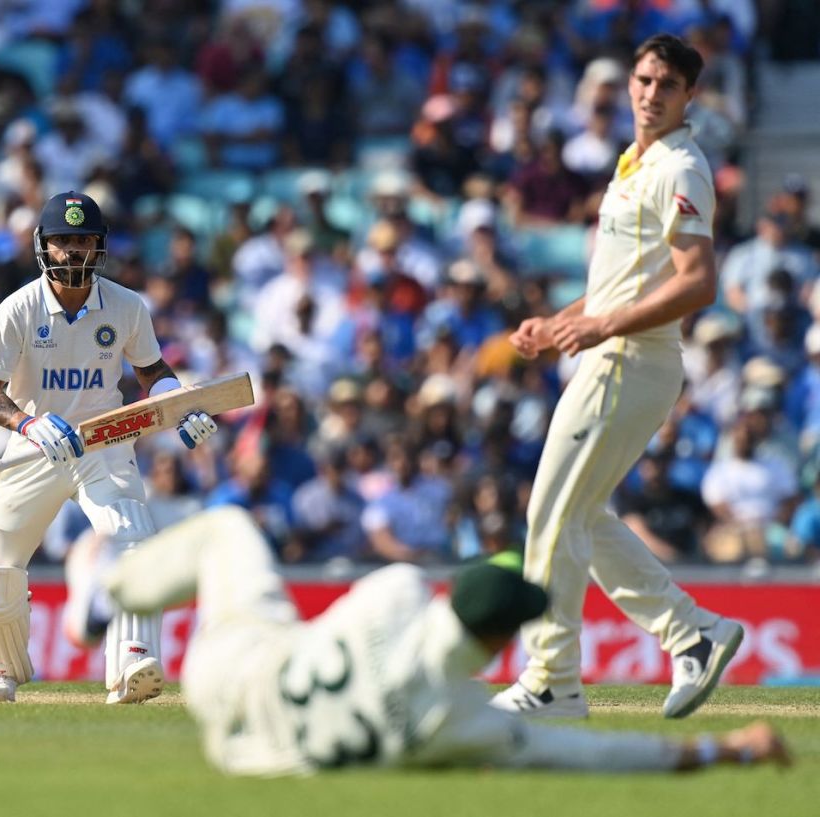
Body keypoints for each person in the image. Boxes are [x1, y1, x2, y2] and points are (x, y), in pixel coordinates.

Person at [96, 506, 790, 776]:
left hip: (230, 670)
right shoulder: (463, 722)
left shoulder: (397, 589)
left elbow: (327, 631)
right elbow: (592, 751)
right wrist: (721, 748)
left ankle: (109, 592)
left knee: (227, 531)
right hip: (246, 754)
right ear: (496, 642)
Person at [495, 35, 743, 719]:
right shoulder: (634, 161)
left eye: (667, 84)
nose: (651, 93)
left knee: (551, 513)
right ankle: (692, 632)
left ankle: (553, 681)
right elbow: (617, 287)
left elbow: (698, 283)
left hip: (631, 361)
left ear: (689, 95)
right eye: (643, 79)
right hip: (614, 356)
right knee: (580, 516)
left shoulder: (682, 167)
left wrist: (602, 328)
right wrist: (557, 323)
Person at [0, 191, 218, 704]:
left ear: (99, 247)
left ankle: (131, 661)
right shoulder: (18, 308)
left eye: (83, 241)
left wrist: (179, 406)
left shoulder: (126, 305)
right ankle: (0, 671)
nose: (72, 252)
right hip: (36, 448)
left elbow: (153, 373)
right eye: (62, 242)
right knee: (0, 559)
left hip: (103, 441)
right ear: (44, 247)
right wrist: (28, 424)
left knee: (132, 534)